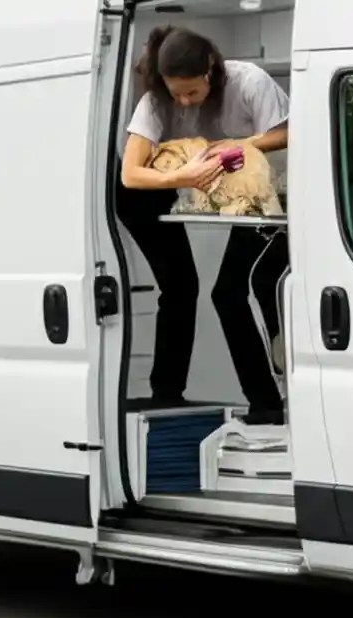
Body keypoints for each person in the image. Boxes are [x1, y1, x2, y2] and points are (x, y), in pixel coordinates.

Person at [117, 25, 290, 426]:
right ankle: (167, 395)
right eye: (176, 93)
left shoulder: (249, 82)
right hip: (173, 181)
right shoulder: (157, 100)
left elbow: (290, 132)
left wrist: (240, 147)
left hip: (255, 185)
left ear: (211, 71)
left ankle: (266, 403)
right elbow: (130, 173)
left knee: (230, 291)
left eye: (191, 92)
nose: (183, 101)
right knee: (181, 288)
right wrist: (183, 178)